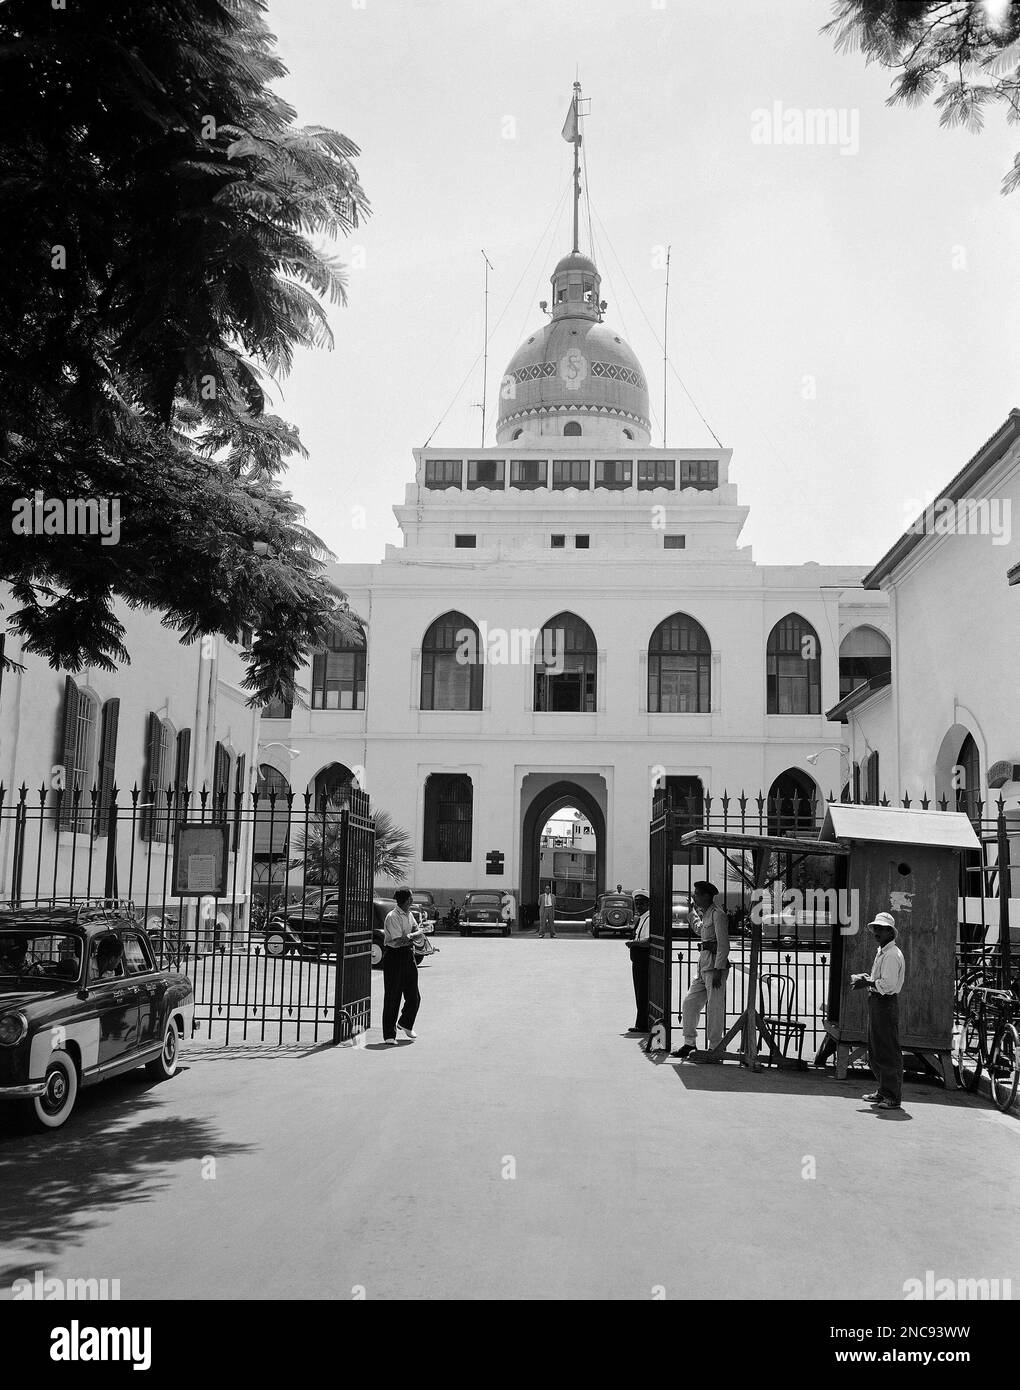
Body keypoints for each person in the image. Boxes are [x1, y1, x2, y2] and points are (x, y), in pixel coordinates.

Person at [853, 911, 906, 1110]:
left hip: (885, 1002)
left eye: (881, 929)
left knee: (887, 1050)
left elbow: (888, 984)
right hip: (878, 1001)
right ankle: (884, 1090)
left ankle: (892, 1095)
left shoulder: (892, 955)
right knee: (876, 1049)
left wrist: (867, 982)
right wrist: (869, 980)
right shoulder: (882, 952)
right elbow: (880, 980)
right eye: (876, 928)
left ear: (890, 933)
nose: (877, 932)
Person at [673, 881, 730, 1061]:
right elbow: (700, 930)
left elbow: (723, 946)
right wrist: (691, 913)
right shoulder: (707, 914)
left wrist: (719, 970)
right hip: (703, 965)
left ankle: (715, 1048)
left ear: (706, 896)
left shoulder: (718, 915)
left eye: (697, 894)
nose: (695, 896)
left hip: (714, 967)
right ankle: (690, 1043)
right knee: (690, 1004)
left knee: (714, 1009)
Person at [381, 888, 425, 1045]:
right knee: (393, 996)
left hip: (407, 955)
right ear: (406, 900)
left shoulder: (409, 914)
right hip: (394, 956)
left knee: (414, 996)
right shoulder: (393, 917)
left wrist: (415, 934)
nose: (412, 901)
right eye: (411, 898)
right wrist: (414, 936)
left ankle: (405, 1023)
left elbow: (415, 930)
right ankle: (389, 1035)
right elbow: (399, 940)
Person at [627, 891, 651, 1033]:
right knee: (639, 991)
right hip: (637, 960)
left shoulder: (648, 918)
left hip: (643, 959)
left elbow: (648, 941)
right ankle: (641, 1021)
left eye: (642, 903)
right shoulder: (642, 918)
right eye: (637, 903)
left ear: (648, 903)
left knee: (642, 992)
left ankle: (643, 1023)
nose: (639, 906)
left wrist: (634, 943)